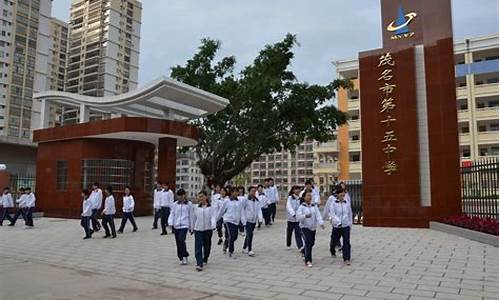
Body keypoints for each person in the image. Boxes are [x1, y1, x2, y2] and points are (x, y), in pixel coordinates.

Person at [297, 189, 324, 268]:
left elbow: (318, 215)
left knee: (312, 243)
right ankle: (308, 260)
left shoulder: (314, 206)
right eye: (308, 196)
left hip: (313, 227)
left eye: (310, 196)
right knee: (308, 242)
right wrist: (305, 216)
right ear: (304, 197)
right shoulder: (301, 207)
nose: (310, 197)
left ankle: (303, 250)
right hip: (305, 227)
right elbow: (298, 217)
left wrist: (321, 223)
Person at [326, 186, 352, 265]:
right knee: (334, 240)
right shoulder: (333, 203)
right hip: (337, 226)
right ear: (337, 195)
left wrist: (350, 223)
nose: (342, 197)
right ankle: (332, 250)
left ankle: (346, 258)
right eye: (341, 195)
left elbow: (349, 213)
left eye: (343, 195)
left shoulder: (347, 203)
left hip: (345, 225)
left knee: (346, 242)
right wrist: (338, 222)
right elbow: (332, 214)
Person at [192, 191, 216, 271]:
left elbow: (213, 217)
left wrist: (213, 225)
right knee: (198, 246)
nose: (200, 198)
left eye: (202, 196)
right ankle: (199, 263)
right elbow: (194, 218)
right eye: (199, 197)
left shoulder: (211, 207)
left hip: (208, 229)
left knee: (207, 245)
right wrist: (192, 228)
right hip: (198, 229)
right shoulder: (196, 207)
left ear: (206, 197)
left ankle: (205, 258)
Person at [217, 186, 243, 258]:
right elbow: (221, 211)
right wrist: (216, 219)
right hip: (228, 220)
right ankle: (231, 251)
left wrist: (243, 221)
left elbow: (241, 212)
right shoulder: (227, 201)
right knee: (231, 235)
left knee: (235, 237)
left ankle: (226, 244)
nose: (235, 193)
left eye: (236, 191)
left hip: (236, 221)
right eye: (234, 191)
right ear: (231, 193)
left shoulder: (239, 202)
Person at [168, 189, 192, 265]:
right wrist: (170, 223)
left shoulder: (189, 204)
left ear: (184, 195)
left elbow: (191, 216)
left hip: (185, 225)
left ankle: (185, 256)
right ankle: (181, 257)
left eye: (182, 195)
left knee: (181, 240)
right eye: (178, 195)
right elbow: (172, 214)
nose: (180, 197)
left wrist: (192, 227)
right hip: (176, 225)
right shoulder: (175, 204)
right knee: (178, 242)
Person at [241, 186, 263, 257]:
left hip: (254, 220)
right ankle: (249, 249)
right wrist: (243, 220)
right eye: (252, 191)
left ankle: (244, 247)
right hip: (247, 220)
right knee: (250, 234)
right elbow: (242, 210)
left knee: (248, 234)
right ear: (249, 192)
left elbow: (259, 210)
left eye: (254, 191)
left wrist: (260, 219)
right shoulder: (245, 200)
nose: (253, 192)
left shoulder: (257, 200)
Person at [286, 185, 303, 252]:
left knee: (298, 233)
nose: (298, 191)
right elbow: (289, 206)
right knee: (289, 232)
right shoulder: (290, 198)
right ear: (293, 190)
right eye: (296, 189)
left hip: (298, 219)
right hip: (291, 218)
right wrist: (293, 213)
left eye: (299, 189)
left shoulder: (301, 199)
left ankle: (300, 246)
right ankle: (288, 244)